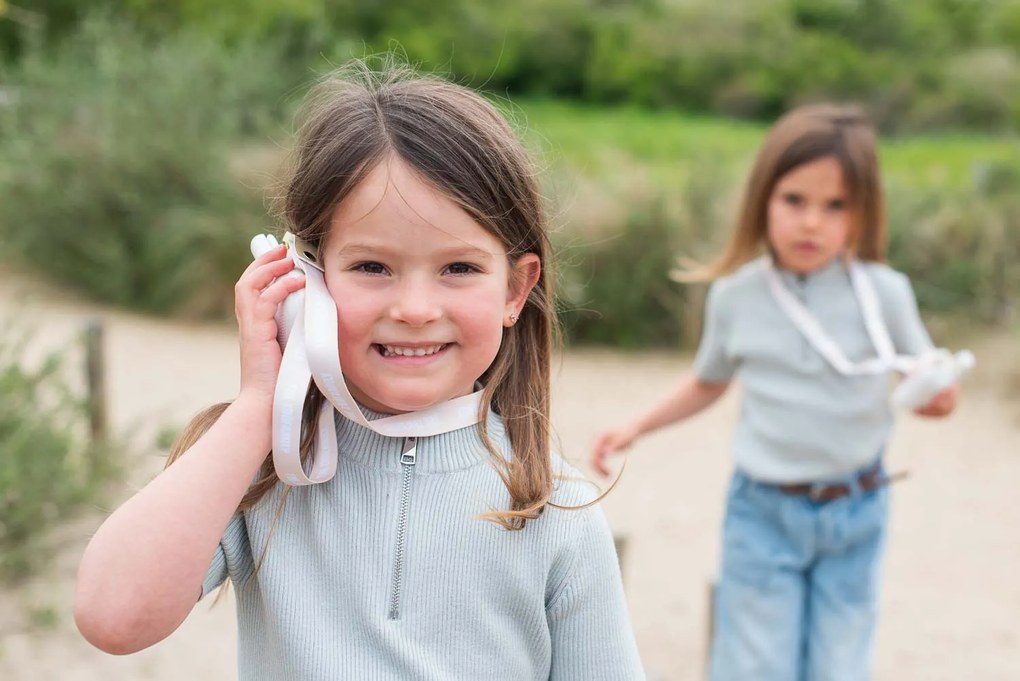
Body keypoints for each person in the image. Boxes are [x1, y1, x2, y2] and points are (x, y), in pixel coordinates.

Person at [74, 60, 644, 680]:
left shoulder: (552, 509)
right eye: (372, 267)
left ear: (516, 289)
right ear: (306, 282)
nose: (416, 310)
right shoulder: (260, 471)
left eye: (459, 268)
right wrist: (260, 406)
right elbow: (113, 617)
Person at [591, 104, 960, 681]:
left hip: (858, 507)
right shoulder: (737, 296)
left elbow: (929, 383)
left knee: (841, 664)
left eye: (835, 206)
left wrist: (940, 399)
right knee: (755, 664)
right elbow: (708, 380)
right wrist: (638, 424)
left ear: (862, 214)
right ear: (762, 199)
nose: (811, 222)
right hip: (763, 511)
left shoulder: (886, 293)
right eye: (795, 200)